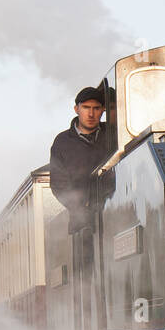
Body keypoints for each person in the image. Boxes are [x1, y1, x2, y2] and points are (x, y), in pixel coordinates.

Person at [50, 86, 111, 232]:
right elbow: (58, 184)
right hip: (81, 225)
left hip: (113, 216)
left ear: (103, 110)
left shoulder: (113, 134)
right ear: (76, 109)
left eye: (96, 108)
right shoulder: (62, 142)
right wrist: (80, 210)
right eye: (86, 107)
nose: (91, 114)